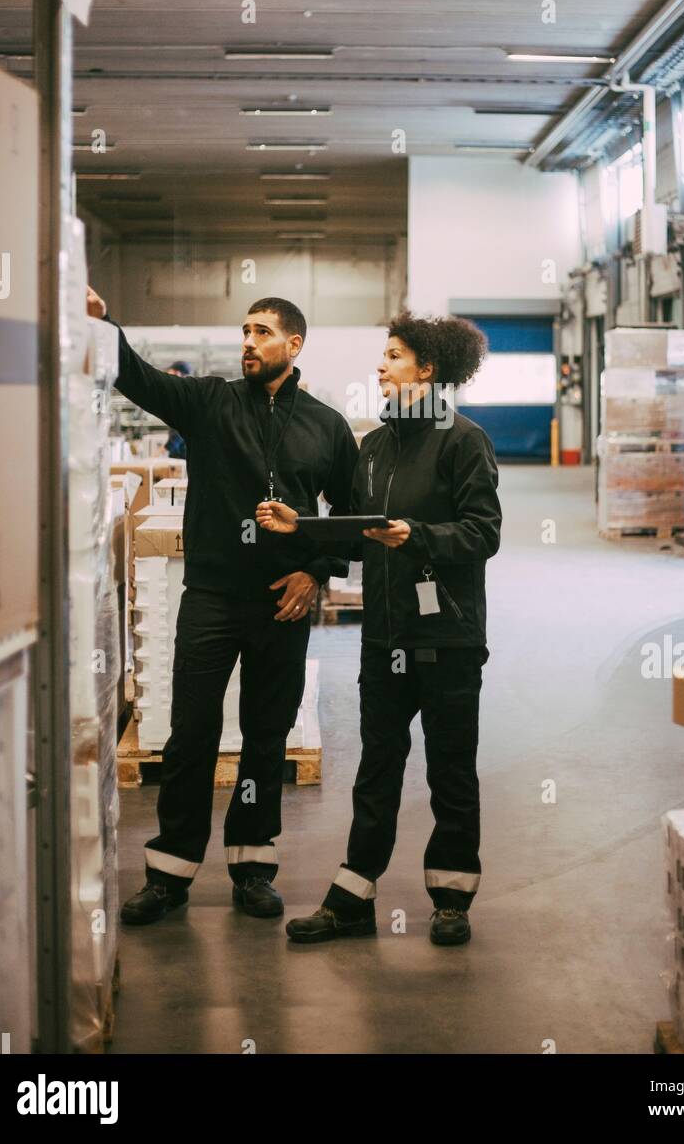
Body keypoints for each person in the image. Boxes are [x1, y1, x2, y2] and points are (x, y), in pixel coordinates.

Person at [86, 286, 358, 924]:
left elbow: (345, 517)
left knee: (266, 738)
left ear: (293, 345)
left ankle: (253, 864)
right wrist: (102, 326)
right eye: (245, 331)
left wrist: (314, 574)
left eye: (263, 332)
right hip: (210, 595)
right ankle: (170, 873)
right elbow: (139, 378)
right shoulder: (209, 402)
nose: (248, 342)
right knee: (191, 734)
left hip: (281, 604)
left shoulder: (325, 425)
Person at [257, 312, 501, 946]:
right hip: (385, 641)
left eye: (393, 357)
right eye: (384, 356)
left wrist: (417, 535)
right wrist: (302, 526)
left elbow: (484, 532)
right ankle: (353, 897)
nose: (381, 367)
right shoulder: (374, 447)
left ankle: (452, 898)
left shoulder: (464, 441)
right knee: (377, 769)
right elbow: (359, 535)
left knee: (450, 770)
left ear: (428, 369)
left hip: (447, 639)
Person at [163, 360, 192, 459]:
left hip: (182, 457)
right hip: (181, 455)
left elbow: (180, 433)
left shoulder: (184, 399)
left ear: (177, 374)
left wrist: (163, 450)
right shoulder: (182, 396)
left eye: (169, 373)